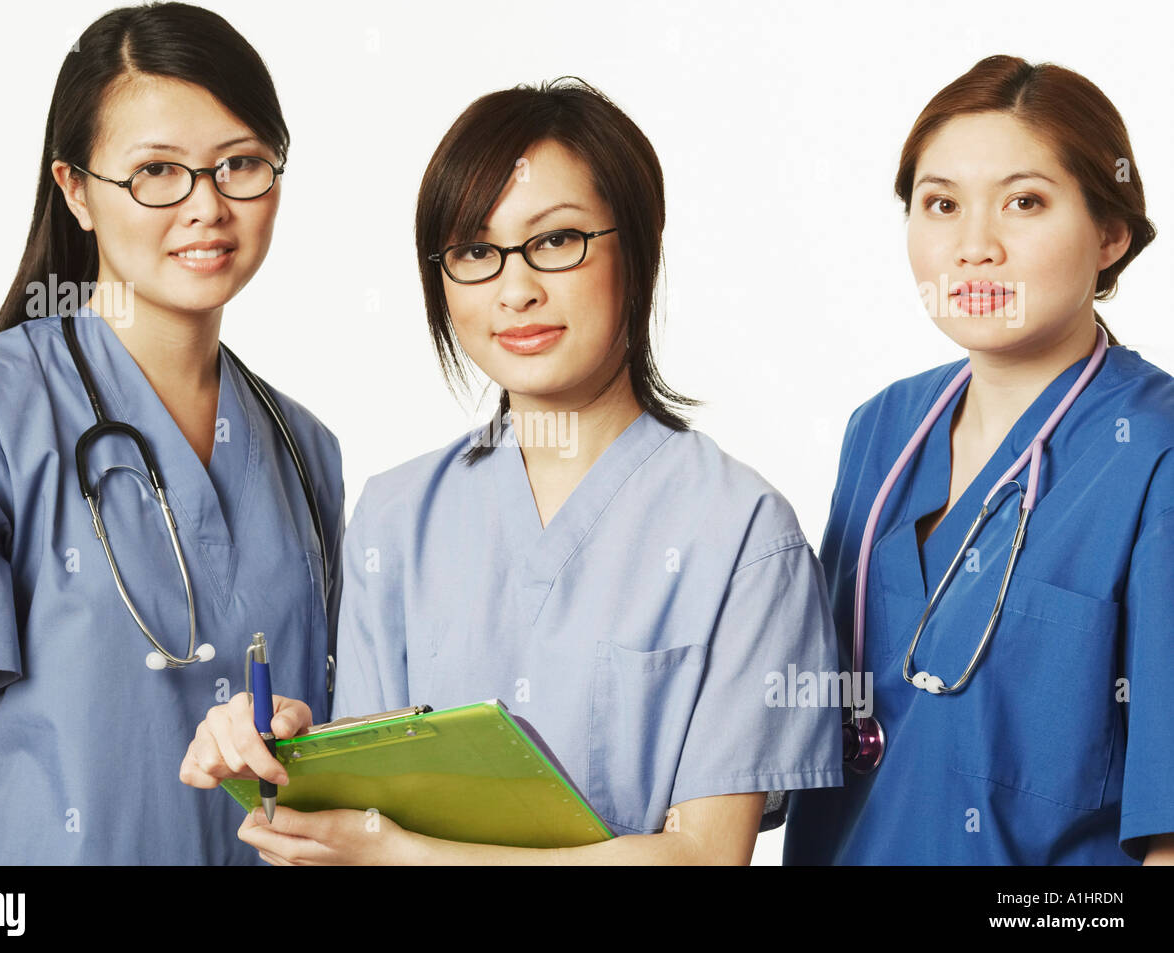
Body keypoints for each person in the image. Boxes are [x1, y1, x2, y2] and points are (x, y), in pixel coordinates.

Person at [181, 78, 843, 864]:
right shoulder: (397, 517)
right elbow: (366, 818)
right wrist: (287, 761)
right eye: (474, 252)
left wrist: (411, 858)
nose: (516, 290)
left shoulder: (743, 534)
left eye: (557, 241)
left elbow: (702, 856)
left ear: (638, 249)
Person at [0, 2, 342, 865]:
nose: (207, 206)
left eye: (240, 164)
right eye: (157, 171)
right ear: (76, 190)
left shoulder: (305, 450)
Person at [783, 55, 1174, 865]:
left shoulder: (1152, 454)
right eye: (941, 204)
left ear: (1110, 234)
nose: (973, 247)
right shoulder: (882, 430)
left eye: (1024, 202)